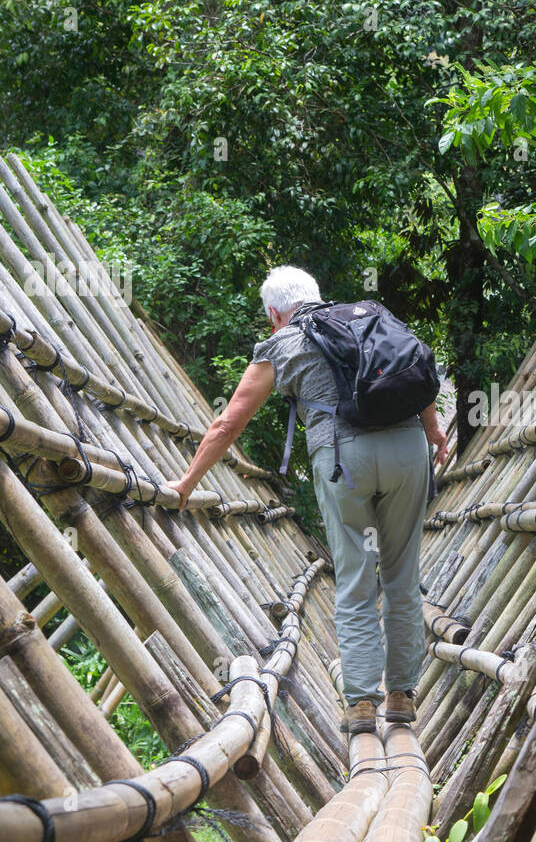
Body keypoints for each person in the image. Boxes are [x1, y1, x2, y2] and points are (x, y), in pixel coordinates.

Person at [165, 265, 449, 735]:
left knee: (356, 574)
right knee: (402, 574)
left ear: (275, 314)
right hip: (407, 452)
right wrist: (434, 430)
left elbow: (228, 424)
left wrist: (186, 483)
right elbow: (413, 371)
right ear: (317, 295)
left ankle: (361, 702)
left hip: (343, 458)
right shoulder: (369, 318)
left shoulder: (282, 343)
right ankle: (401, 697)